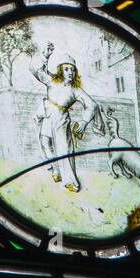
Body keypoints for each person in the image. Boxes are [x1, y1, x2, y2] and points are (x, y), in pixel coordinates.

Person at [31, 42, 99, 192]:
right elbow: (37, 71)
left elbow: (92, 105)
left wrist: (84, 121)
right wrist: (45, 56)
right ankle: (55, 170)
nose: (70, 72)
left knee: (64, 150)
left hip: (61, 118)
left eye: (72, 70)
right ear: (61, 70)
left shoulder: (75, 89)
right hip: (47, 114)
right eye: (66, 69)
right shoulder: (52, 81)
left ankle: (71, 182)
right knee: (44, 142)